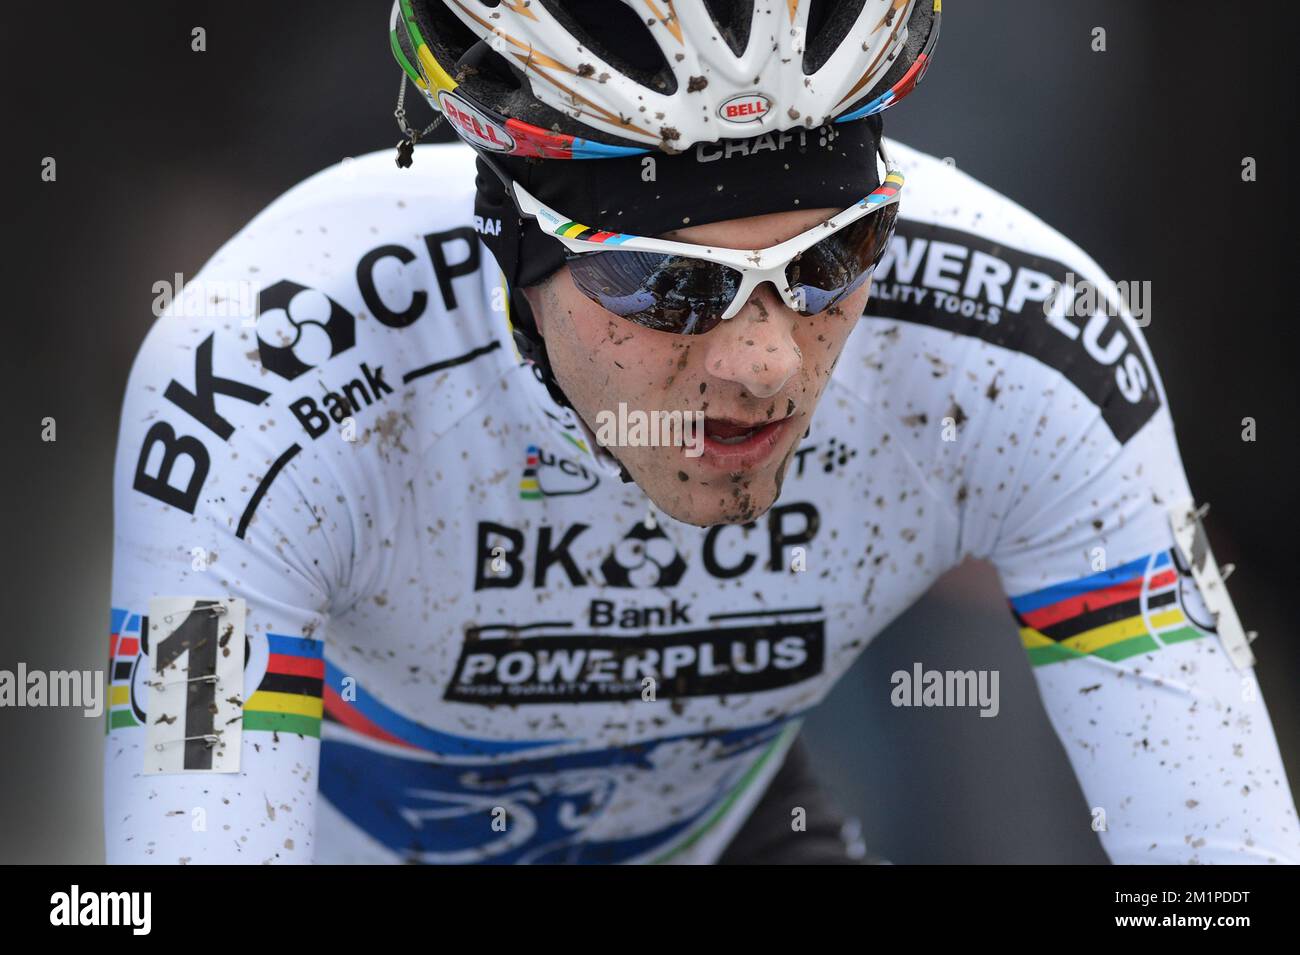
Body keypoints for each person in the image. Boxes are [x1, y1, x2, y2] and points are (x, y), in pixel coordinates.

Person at [105, 0, 1298, 864]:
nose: (765, 364)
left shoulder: (1029, 351)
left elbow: (1213, 860)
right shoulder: (263, 383)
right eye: (667, 288)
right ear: (506, 239)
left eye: (833, 260)